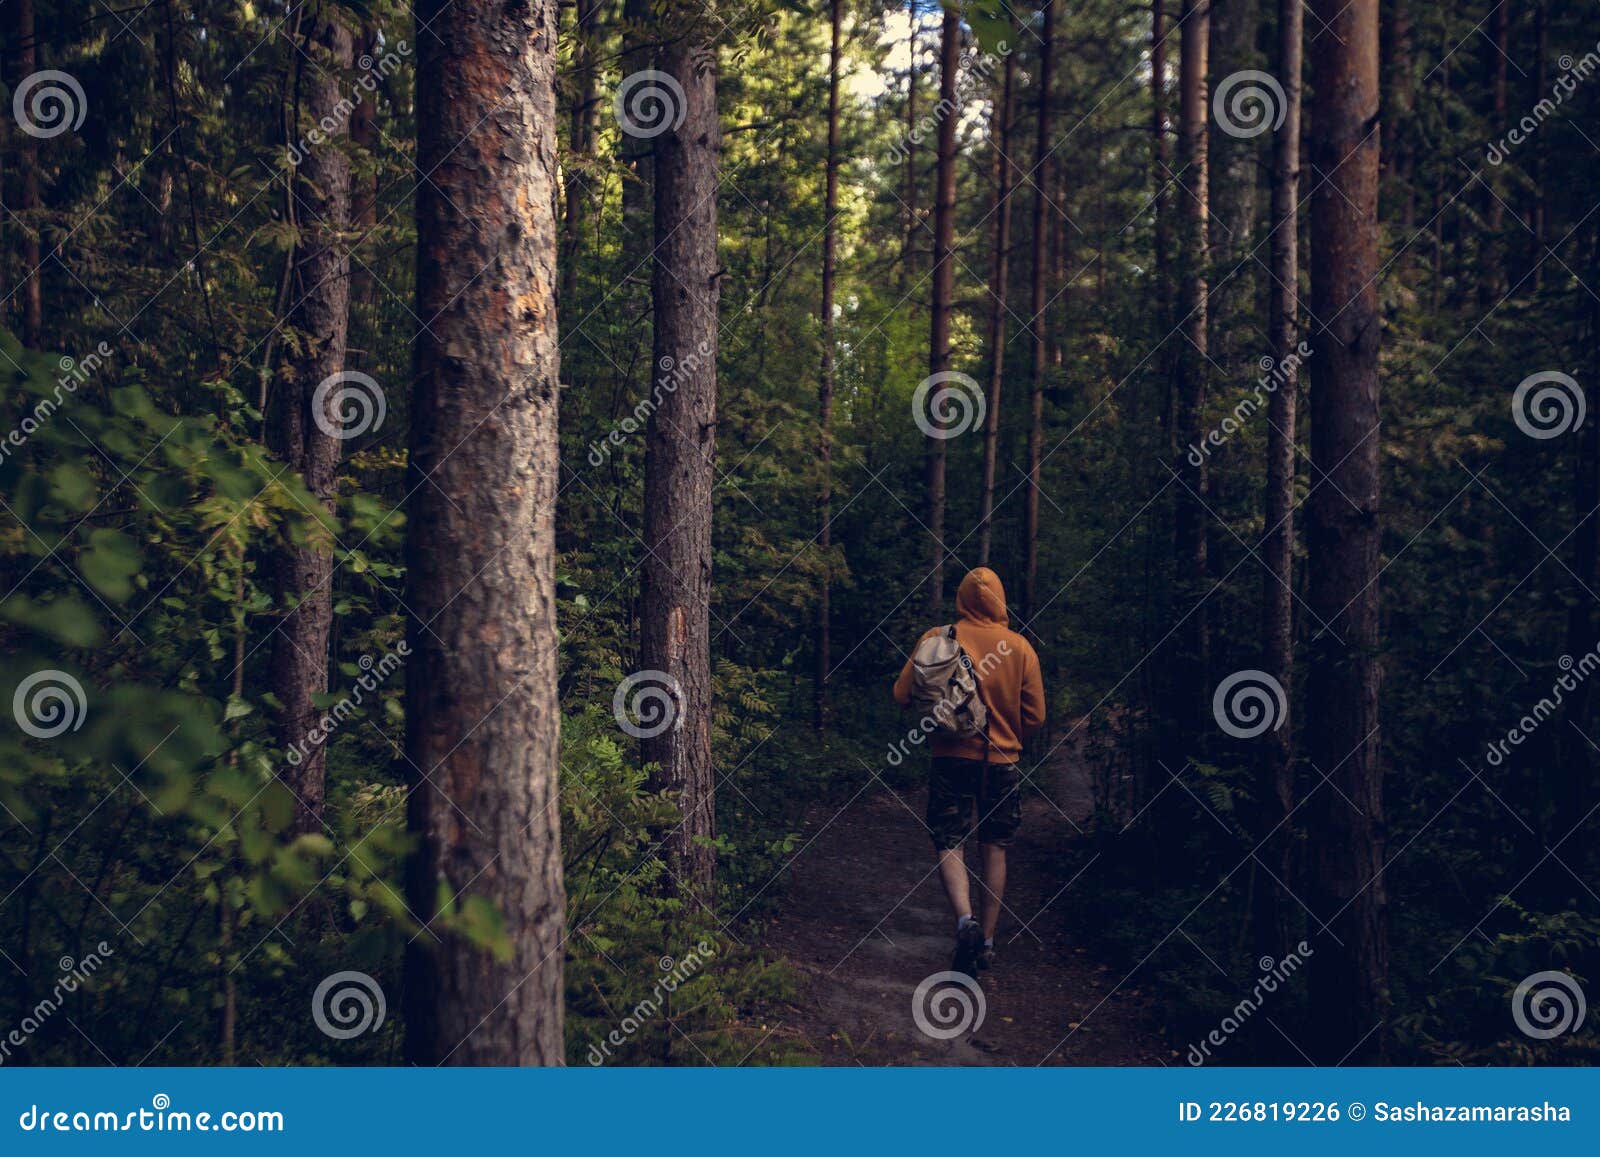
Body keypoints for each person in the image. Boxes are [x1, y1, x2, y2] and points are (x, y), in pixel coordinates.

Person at [893, 567, 1045, 977]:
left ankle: (965, 922)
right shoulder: (1020, 648)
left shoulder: (936, 638)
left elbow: (901, 694)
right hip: (1002, 762)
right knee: (994, 846)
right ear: (1000, 601)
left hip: (949, 757)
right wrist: (1011, 735)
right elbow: (1036, 716)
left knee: (950, 840)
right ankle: (988, 943)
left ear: (961, 598)